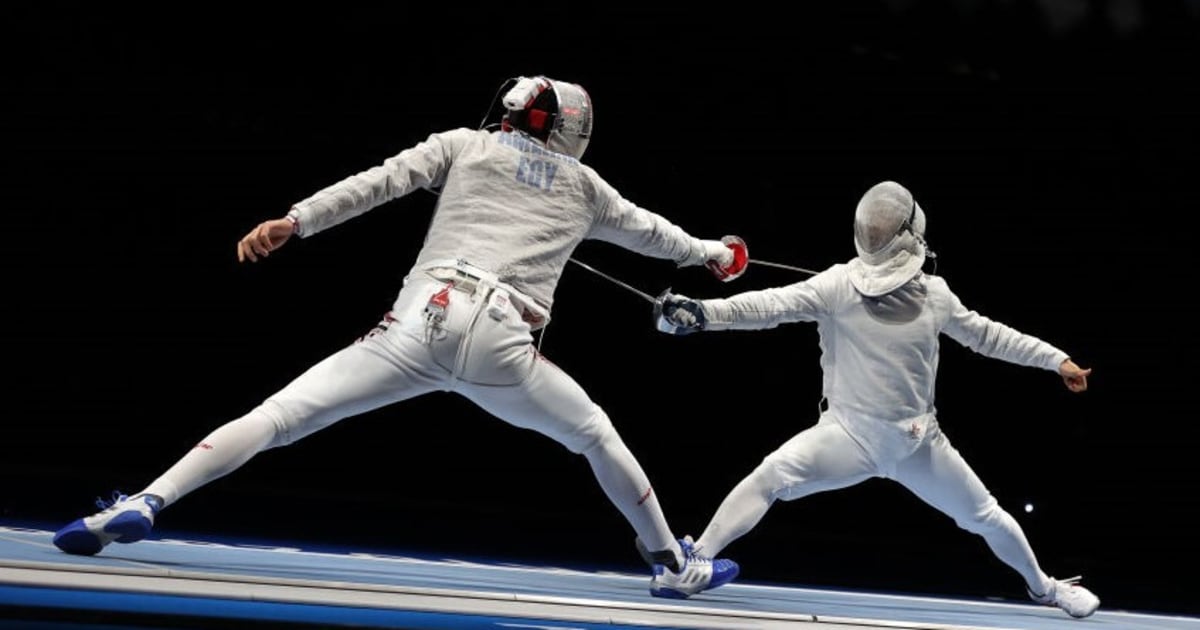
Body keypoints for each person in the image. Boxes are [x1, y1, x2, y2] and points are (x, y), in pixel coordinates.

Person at [53, 75, 742, 599]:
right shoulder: (588, 187)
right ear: (570, 127)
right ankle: (673, 564)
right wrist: (717, 253)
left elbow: (380, 182)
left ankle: (147, 500)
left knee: (280, 416)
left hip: (420, 321)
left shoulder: (461, 145)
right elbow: (659, 235)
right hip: (504, 341)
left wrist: (296, 220)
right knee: (594, 436)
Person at [653, 180, 1101, 618]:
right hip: (848, 434)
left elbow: (988, 336)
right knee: (770, 476)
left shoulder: (935, 296)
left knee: (987, 516)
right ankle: (691, 565)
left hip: (919, 443)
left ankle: (1046, 589)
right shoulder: (837, 285)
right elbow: (767, 307)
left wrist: (1053, 359)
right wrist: (703, 313)